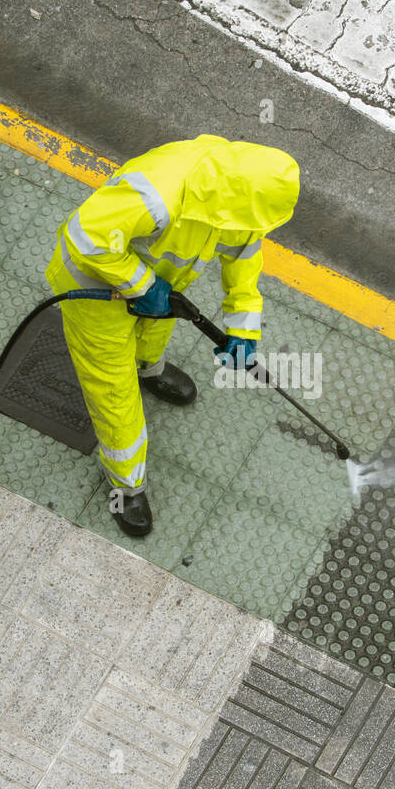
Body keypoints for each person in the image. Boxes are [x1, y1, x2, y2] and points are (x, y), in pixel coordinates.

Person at [45, 134, 301, 537]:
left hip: (160, 288)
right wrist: (144, 285)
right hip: (93, 288)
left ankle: (149, 370)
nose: (253, 232)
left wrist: (243, 327)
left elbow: (245, 257)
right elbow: (85, 238)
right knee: (112, 389)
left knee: (155, 333)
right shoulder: (158, 192)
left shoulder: (238, 199)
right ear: (232, 198)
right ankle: (125, 486)